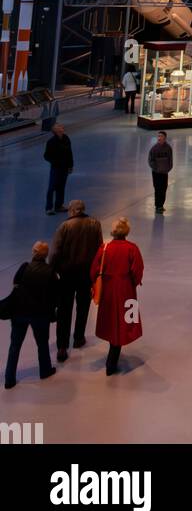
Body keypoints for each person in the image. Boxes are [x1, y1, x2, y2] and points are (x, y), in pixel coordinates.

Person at [49, 200, 103, 362]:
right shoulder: (95, 224)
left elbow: (55, 252)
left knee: (64, 310)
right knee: (83, 306)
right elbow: (100, 247)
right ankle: (79, 337)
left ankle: (62, 346)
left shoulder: (65, 226)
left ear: (72, 211)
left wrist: (52, 271)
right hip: (86, 274)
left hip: (66, 274)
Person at [90, 217, 144, 376]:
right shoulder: (132, 248)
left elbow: (93, 270)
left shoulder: (104, 248)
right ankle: (113, 355)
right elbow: (137, 271)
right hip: (126, 289)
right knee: (128, 319)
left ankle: (113, 350)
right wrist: (133, 282)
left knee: (110, 319)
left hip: (108, 289)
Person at [4, 241, 58, 389]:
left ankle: (9, 379)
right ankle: (45, 370)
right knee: (42, 343)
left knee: (15, 345)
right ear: (46, 255)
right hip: (40, 315)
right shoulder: (50, 272)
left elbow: (15, 285)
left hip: (19, 312)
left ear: (33, 252)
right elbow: (54, 296)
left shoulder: (24, 267)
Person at [44, 122, 73, 215]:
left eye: (61, 126)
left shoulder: (66, 138)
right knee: (51, 188)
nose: (61, 127)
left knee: (61, 187)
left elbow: (70, 153)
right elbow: (46, 155)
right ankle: (49, 208)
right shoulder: (51, 142)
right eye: (59, 126)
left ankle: (58, 206)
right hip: (56, 168)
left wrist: (70, 166)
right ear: (55, 131)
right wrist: (54, 162)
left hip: (64, 168)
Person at [147, 130, 173, 214]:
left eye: (161, 136)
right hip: (156, 173)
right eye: (158, 136)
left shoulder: (168, 148)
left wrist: (168, 168)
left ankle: (161, 205)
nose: (159, 138)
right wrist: (155, 168)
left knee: (164, 188)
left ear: (164, 138)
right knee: (157, 188)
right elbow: (150, 160)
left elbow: (170, 159)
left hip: (164, 172)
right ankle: (157, 205)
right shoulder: (154, 149)